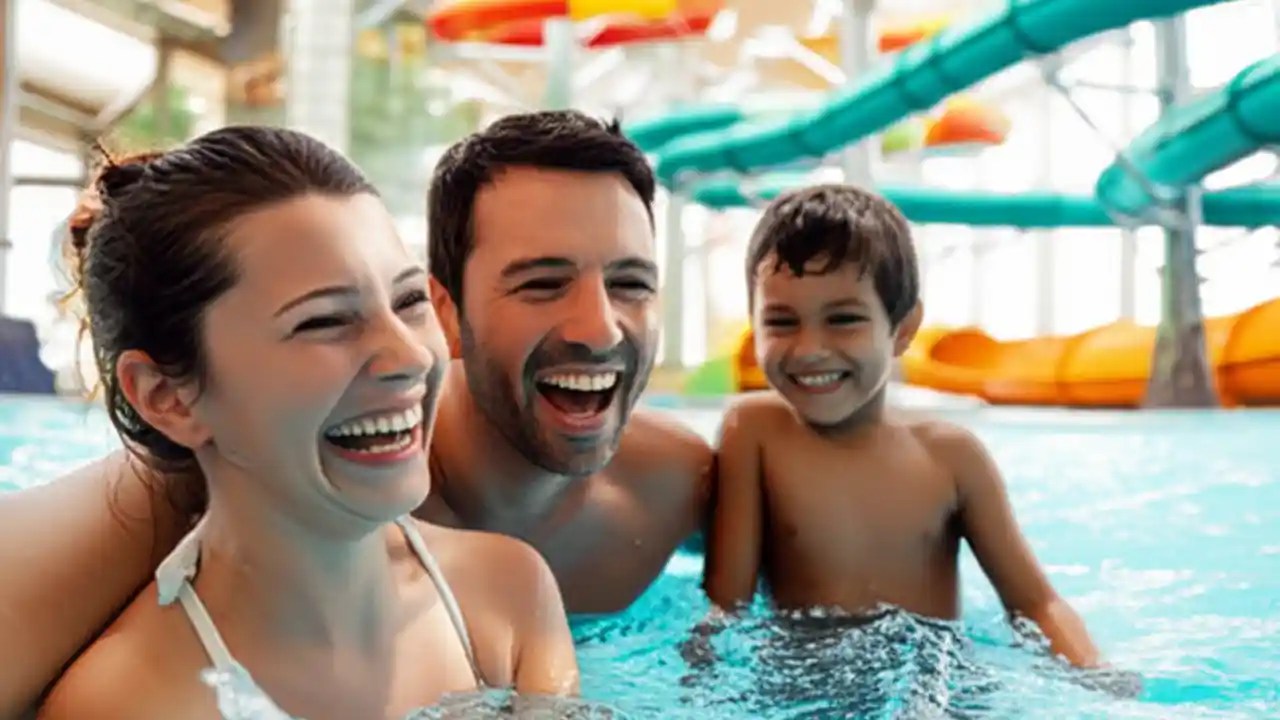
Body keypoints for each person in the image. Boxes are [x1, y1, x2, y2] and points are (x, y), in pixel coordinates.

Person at [0, 111, 708, 717]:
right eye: (323, 322)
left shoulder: (505, 592)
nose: (410, 355)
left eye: (405, 304)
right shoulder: (129, 700)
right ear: (166, 397)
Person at [703, 184, 1103, 669]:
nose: (810, 349)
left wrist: (1097, 678)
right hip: (805, 681)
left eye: (844, 319)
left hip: (932, 684)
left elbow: (1037, 604)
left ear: (904, 328)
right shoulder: (754, 432)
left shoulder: (951, 459)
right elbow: (726, 610)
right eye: (782, 323)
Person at [416, 110, 714, 613]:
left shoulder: (673, 490)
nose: (600, 330)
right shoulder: (369, 520)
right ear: (446, 314)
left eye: (629, 284)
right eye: (543, 285)